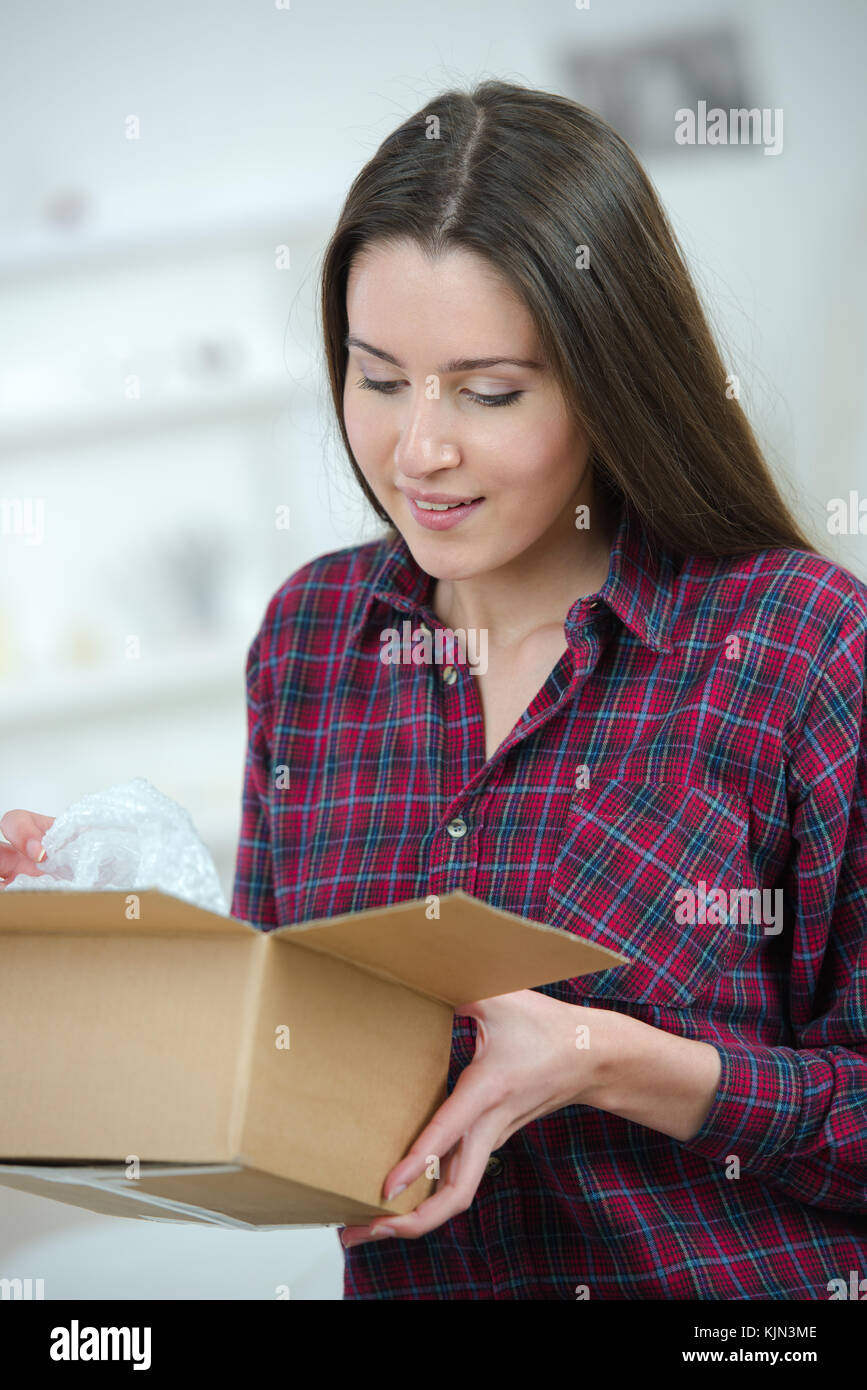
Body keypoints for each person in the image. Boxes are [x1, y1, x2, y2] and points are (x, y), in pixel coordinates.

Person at [3, 79, 865, 1301]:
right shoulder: (313, 637)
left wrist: (607, 1059)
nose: (419, 451)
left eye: (488, 390)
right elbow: (286, 1046)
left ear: (611, 377)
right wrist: (98, 925)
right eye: (378, 378)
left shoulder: (798, 649)